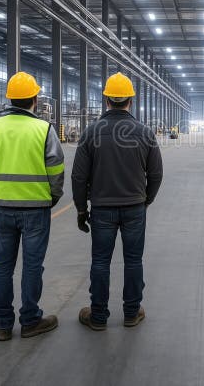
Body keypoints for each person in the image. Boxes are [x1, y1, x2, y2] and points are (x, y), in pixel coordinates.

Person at [0, 71, 65, 341]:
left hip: (2, 209)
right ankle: (30, 320)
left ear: (9, 99)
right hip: (36, 209)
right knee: (32, 266)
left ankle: (3, 325)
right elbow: (56, 169)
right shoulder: (44, 129)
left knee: (3, 266)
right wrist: (53, 197)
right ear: (35, 99)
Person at [72, 72, 163, 331]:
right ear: (130, 102)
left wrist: (81, 209)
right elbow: (156, 174)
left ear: (107, 101)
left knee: (101, 261)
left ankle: (98, 316)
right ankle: (132, 313)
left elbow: (79, 176)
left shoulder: (91, 132)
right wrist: (147, 200)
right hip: (135, 207)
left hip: (101, 209)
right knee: (134, 260)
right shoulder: (145, 132)